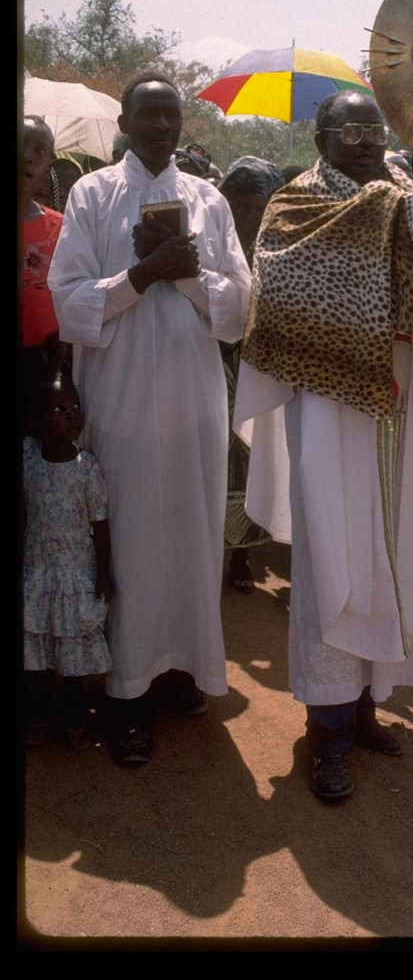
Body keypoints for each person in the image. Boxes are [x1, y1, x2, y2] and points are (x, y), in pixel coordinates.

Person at [234, 89, 413, 800]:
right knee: (335, 564)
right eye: (351, 130)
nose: (367, 140)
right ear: (321, 139)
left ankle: (368, 705)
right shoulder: (296, 207)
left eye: (375, 129)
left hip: (406, 400)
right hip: (332, 404)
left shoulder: (408, 193)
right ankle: (328, 734)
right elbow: (283, 292)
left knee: (396, 559)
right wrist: (396, 214)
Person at [48, 71, 252, 766]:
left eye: (172, 115)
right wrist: (138, 276)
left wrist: (186, 272)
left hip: (194, 404)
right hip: (122, 404)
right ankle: (128, 694)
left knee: (192, 540)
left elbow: (237, 312)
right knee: (131, 545)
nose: (163, 126)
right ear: (127, 125)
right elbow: (68, 301)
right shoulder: (93, 195)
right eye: (149, 115)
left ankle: (182, 672)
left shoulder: (208, 200)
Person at [24, 371, 114, 749]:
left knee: (74, 651)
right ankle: (40, 712)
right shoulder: (29, 459)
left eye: (75, 405)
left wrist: (103, 573)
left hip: (76, 576)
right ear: (37, 421)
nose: (72, 414)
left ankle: (75, 713)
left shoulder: (87, 469)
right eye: (59, 408)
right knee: (40, 650)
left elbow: (100, 525)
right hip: (39, 574)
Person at [217, 156, 285, 592]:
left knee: (251, 456)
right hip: (215, 361)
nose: (252, 216)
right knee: (215, 457)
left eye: (260, 207)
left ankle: (241, 554)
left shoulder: (278, 250)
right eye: (243, 206)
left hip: (256, 366)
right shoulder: (214, 244)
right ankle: (211, 552)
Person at [21, 116, 69, 387]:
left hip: (41, 368)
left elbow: (63, 308)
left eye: (40, 151)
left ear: (47, 166)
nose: (28, 156)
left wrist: (54, 377)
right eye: (21, 144)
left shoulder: (60, 229)